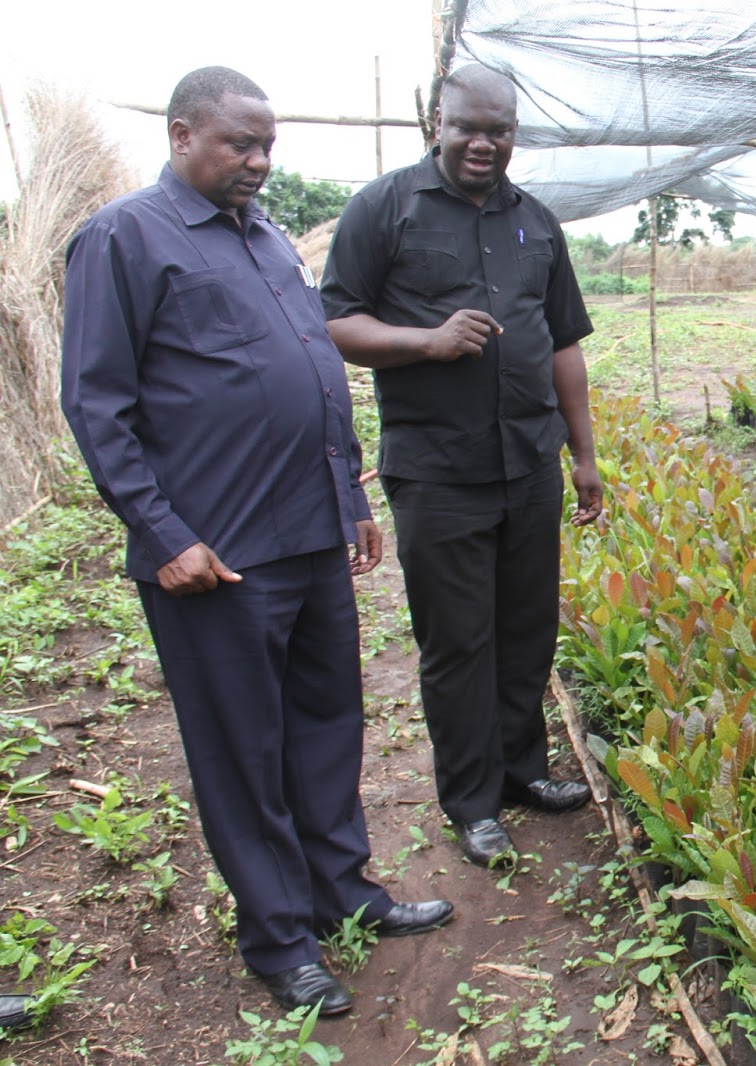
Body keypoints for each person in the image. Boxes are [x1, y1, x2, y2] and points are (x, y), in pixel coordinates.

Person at [59, 66, 454, 1017]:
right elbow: (96, 403)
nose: (260, 162)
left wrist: (348, 500)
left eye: (269, 145)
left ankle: (341, 891)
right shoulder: (123, 238)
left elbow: (317, 370)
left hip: (308, 533)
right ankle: (278, 938)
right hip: (216, 556)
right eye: (242, 143)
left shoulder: (268, 239)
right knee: (243, 748)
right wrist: (163, 534)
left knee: (327, 723)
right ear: (182, 132)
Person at [321, 64, 599, 868]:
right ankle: (473, 802)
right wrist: (426, 342)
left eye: (500, 130)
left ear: (516, 132)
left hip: (527, 463)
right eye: (468, 127)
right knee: (458, 644)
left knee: (526, 628)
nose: (483, 143)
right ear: (434, 121)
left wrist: (582, 456)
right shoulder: (385, 209)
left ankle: (522, 772)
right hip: (437, 469)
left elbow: (565, 345)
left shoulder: (538, 225)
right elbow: (335, 321)